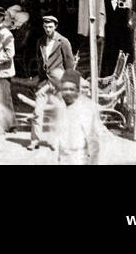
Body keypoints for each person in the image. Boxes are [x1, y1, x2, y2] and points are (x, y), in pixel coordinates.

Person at [30, 14, 78, 150]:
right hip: (44, 83)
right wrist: (39, 79)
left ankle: (57, 141)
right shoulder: (40, 41)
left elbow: (70, 64)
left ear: (55, 27)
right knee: (37, 112)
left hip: (59, 83)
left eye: (50, 27)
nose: (48, 30)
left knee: (59, 115)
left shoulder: (63, 42)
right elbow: (39, 61)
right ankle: (34, 141)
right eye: (45, 27)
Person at [52, 69, 100, 165]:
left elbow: (93, 142)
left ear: (78, 90)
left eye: (71, 89)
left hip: (80, 158)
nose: (68, 93)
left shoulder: (86, 109)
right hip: (64, 158)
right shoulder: (61, 107)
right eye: (65, 89)